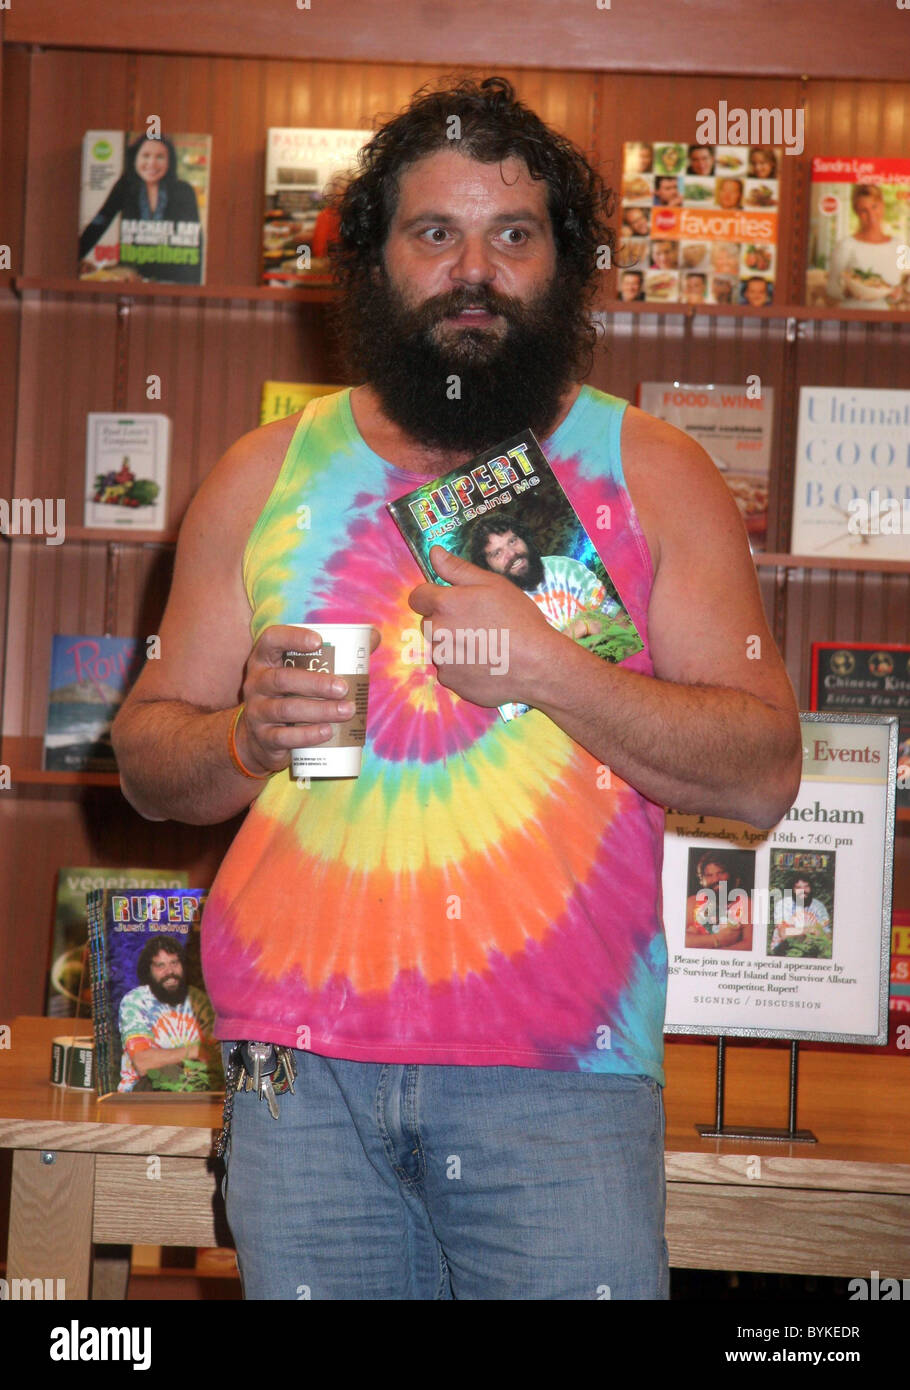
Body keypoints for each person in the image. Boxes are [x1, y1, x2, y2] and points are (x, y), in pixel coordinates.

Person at [112, 76, 801, 1301]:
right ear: (376, 263)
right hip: (299, 1077)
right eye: (436, 233)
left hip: (560, 1079)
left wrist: (554, 669)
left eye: (514, 235)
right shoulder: (264, 472)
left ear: (561, 263)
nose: (474, 268)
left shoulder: (653, 467)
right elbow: (148, 764)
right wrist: (242, 735)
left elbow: (761, 772)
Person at [465, 514, 618, 639]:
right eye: (497, 553)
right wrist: (578, 629)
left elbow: (621, 623)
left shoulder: (566, 569)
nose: (511, 553)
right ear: (487, 567)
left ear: (524, 538)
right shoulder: (496, 613)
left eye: (512, 541)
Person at [78, 133, 203, 285]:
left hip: (171, 281)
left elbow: (195, 244)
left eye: (160, 157)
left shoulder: (183, 191)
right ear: (135, 159)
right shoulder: (125, 186)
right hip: (132, 278)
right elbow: (99, 223)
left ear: (169, 162)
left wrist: (191, 288)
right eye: (145, 155)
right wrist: (74, 258)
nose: (152, 163)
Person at [117, 937, 215, 1092]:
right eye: (160, 965)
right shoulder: (136, 1001)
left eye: (174, 963)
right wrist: (194, 1051)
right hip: (142, 1095)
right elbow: (143, 1062)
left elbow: (215, 1059)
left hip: (196, 1092)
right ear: (148, 970)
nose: (169, 972)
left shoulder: (199, 1000)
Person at [825, 184, 905, 309]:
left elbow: (894, 292)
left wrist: (896, 295)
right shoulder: (846, 245)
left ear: (882, 206)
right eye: (864, 210)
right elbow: (831, 288)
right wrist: (847, 292)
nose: (871, 215)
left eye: (874, 206)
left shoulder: (897, 245)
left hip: (882, 318)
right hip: (851, 315)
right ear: (857, 212)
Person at [685, 852, 752, 951]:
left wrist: (698, 941)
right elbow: (676, 939)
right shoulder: (692, 903)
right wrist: (717, 940)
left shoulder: (747, 904)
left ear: (730, 875)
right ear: (701, 880)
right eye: (709, 875)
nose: (716, 879)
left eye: (721, 873)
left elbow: (749, 945)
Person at [770, 874, 831, 955]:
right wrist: (811, 930)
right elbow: (784, 933)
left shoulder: (819, 906)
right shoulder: (784, 904)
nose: (803, 890)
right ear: (792, 890)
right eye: (798, 888)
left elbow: (827, 936)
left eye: (806, 887)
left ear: (811, 888)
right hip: (784, 947)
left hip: (811, 947)